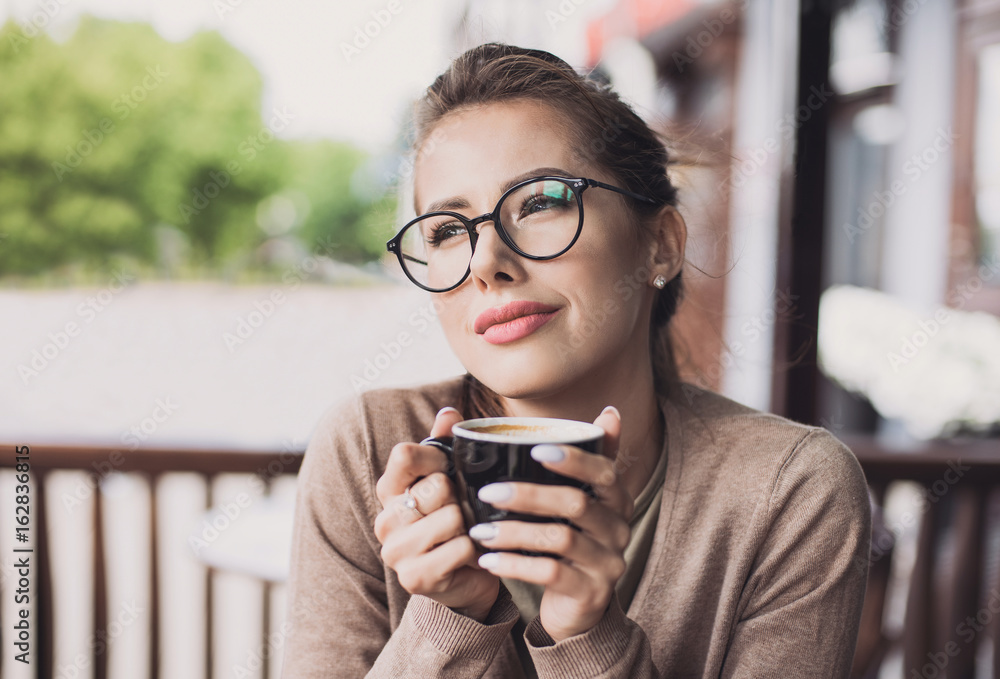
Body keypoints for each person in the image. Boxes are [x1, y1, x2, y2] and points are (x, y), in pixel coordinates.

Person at [281, 43, 871, 678]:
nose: (485, 265)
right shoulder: (368, 452)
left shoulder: (789, 492)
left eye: (541, 202)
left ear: (661, 247)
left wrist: (589, 637)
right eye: (447, 231)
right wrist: (448, 621)